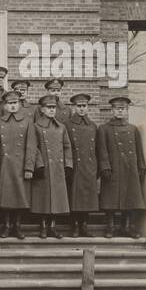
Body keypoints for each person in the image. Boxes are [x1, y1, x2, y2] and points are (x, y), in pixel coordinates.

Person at [96, 95, 146, 238]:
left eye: (123, 109)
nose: (120, 111)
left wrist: (141, 166)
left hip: (130, 168)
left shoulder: (133, 129)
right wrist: (105, 166)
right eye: (117, 109)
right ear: (112, 111)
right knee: (110, 199)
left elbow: (138, 149)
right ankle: (110, 227)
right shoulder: (104, 129)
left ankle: (127, 227)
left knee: (130, 198)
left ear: (127, 111)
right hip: (113, 169)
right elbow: (102, 150)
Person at [24, 93, 73, 238]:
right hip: (43, 168)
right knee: (43, 199)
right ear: (42, 110)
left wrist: (68, 165)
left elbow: (67, 146)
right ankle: (43, 226)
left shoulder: (61, 127)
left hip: (58, 168)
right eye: (49, 107)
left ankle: (53, 226)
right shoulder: (36, 126)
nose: (52, 110)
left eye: (54, 108)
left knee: (57, 199)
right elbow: (32, 147)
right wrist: (36, 166)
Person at [0, 90, 31, 239]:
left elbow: (31, 146)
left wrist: (28, 167)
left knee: (19, 197)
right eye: (9, 103)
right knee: (5, 199)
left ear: (20, 104)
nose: (12, 106)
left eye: (15, 103)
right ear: (5, 106)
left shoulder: (27, 122)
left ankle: (18, 226)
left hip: (20, 166)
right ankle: (6, 225)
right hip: (5, 166)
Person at [65, 92, 101, 237]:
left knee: (87, 198)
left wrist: (97, 168)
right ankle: (74, 225)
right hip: (74, 167)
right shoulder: (67, 125)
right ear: (74, 107)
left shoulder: (92, 126)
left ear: (87, 107)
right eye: (79, 106)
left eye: (84, 106)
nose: (81, 109)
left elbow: (97, 148)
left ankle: (84, 225)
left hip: (89, 166)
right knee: (75, 197)